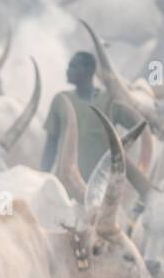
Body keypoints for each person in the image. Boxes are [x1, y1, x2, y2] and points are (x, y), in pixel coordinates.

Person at [41, 51, 131, 181]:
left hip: (100, 183)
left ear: (89, 70)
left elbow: (138, 126)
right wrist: (43, 175)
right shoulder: (61, 100)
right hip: (65, 183)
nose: (68, 70)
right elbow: (51, 144)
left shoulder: (110, 101)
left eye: (74, 66)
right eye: (69, 66)